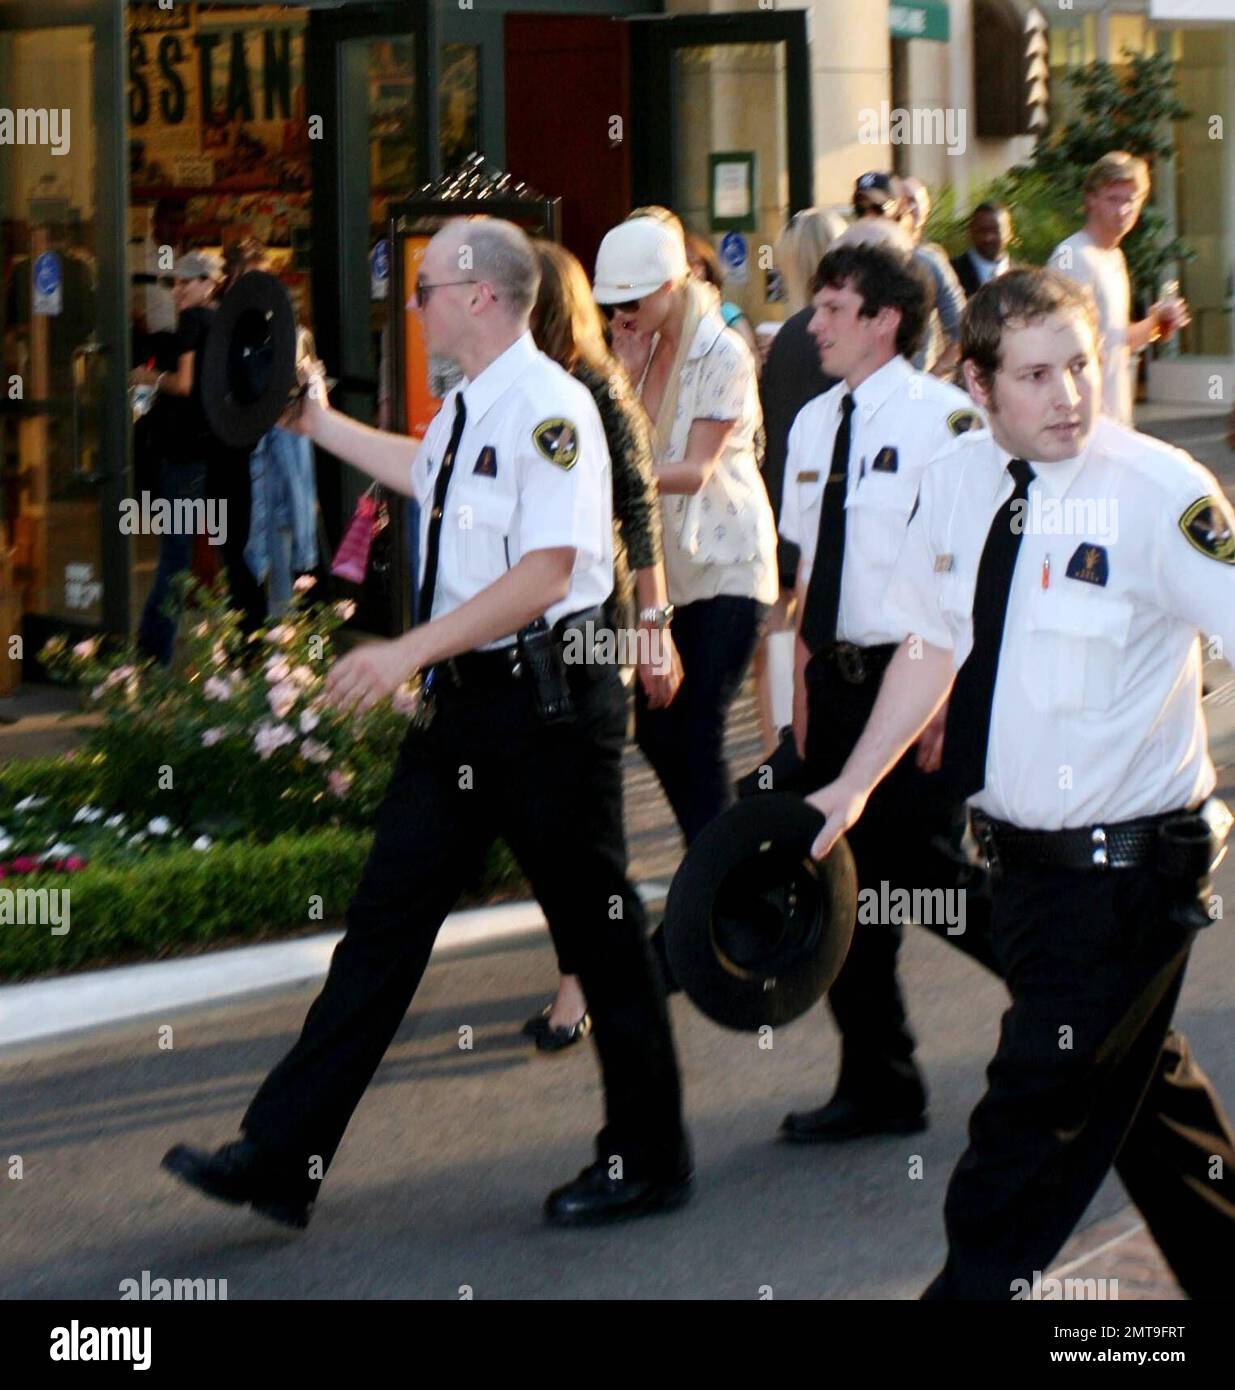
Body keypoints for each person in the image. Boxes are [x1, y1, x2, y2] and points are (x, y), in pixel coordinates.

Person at [161, 216, 693, 1230]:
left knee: (601, 934)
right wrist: (314, 423)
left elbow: (546, 574)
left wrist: (405, 651)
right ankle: (280, 1157)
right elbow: (427, 471)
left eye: (424, 289)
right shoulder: (468, 406)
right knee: (382, 930)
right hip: (468, 707)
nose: (413, 307)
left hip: (548, 709)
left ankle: (648, 1156)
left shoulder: (555, 412)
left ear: (480, 298)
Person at [806, 266, 1235, 1298]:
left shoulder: (1158, 491)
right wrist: (853, 783)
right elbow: (930, 642)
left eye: (1080, 366)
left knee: (1021, 1137)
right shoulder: (955, 482)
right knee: (1148, 1112)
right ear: (978, 384)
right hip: (1025, 877)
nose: (1067, 396)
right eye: (1035, 375)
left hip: (1131, 877)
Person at [775, 242, 991, 1143]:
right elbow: (805, 572)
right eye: (816, 307)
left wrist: (943, 700)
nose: (813, 324)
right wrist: (794, 690)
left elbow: (970, 578)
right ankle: (880, 1084)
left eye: (832, 308)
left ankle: (1089, 1009)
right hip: (836, 683)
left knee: (924, 878)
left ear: (882, 322)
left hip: (913, 686)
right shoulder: (811, 422)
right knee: (843, 889)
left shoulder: (946, 423)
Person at [522, 238, 681, 1052]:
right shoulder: (521, 389)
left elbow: (641, 512)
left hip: (593, 627)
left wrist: (654, 634)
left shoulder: (594, 387)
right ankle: (581, 970)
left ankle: (579, 984)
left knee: (587, 817)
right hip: (527, 633)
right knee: (549, 822)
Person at [596, 215, 778, 848]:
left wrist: (602, 487)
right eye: (612, 304)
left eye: (632, 300)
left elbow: (693, 470)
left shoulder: (723, 351)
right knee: (657, 728)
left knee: (693, 727)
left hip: (730, 565)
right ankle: (724, 883)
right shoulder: (635, 352)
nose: (621, 313)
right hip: (668, 572)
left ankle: (723, 893)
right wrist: (623, 371)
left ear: (672, 284)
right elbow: (636, 446)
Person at [753, 207, 846, 754]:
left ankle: (781, 745)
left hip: (782, 502)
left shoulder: (790, 333)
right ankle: (800, 742)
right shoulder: (824, 335)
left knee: (780, 632)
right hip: (818, 510)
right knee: (805, 634)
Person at [130, 250, 224, 667]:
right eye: (175, 282)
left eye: (189, 281)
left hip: (185, 455)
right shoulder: (221, 320)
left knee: (174, 556)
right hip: (212, 451)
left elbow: (184, 384)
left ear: (209, 282)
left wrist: (149, 378)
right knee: (215, 549)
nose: (180, 289)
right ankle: (235, 647)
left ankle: (153, 651)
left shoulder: (191, 322)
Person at [1049, 151, 1188, 426]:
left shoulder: (1114, 257)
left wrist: (1158, 325)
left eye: (1131, 201)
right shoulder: (1072, 256)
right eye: (1113, 199)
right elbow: (1071, 344)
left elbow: (1117, 339)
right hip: (1082, 421)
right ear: (1091, 199)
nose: (1123, 210)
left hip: (1114, 417)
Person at [900, 177, 967, 379]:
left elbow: (962, 331)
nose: (909, 207)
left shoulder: (931, 262)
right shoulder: (861, 257)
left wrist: (931, 378)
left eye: (914, 200)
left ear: (926, 209)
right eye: (903, 200)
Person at [684, 231, 760, 362]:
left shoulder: (727, 313)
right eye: (684, 264)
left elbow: (753, 362)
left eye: (694, 263)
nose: (690, 271)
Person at [950, 200, 1013, 298]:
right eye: (982, 231)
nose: (988, 238)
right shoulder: (950, 273)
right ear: (970, 232)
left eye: (995, 231)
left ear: (1009, 232)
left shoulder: (1024, 279)